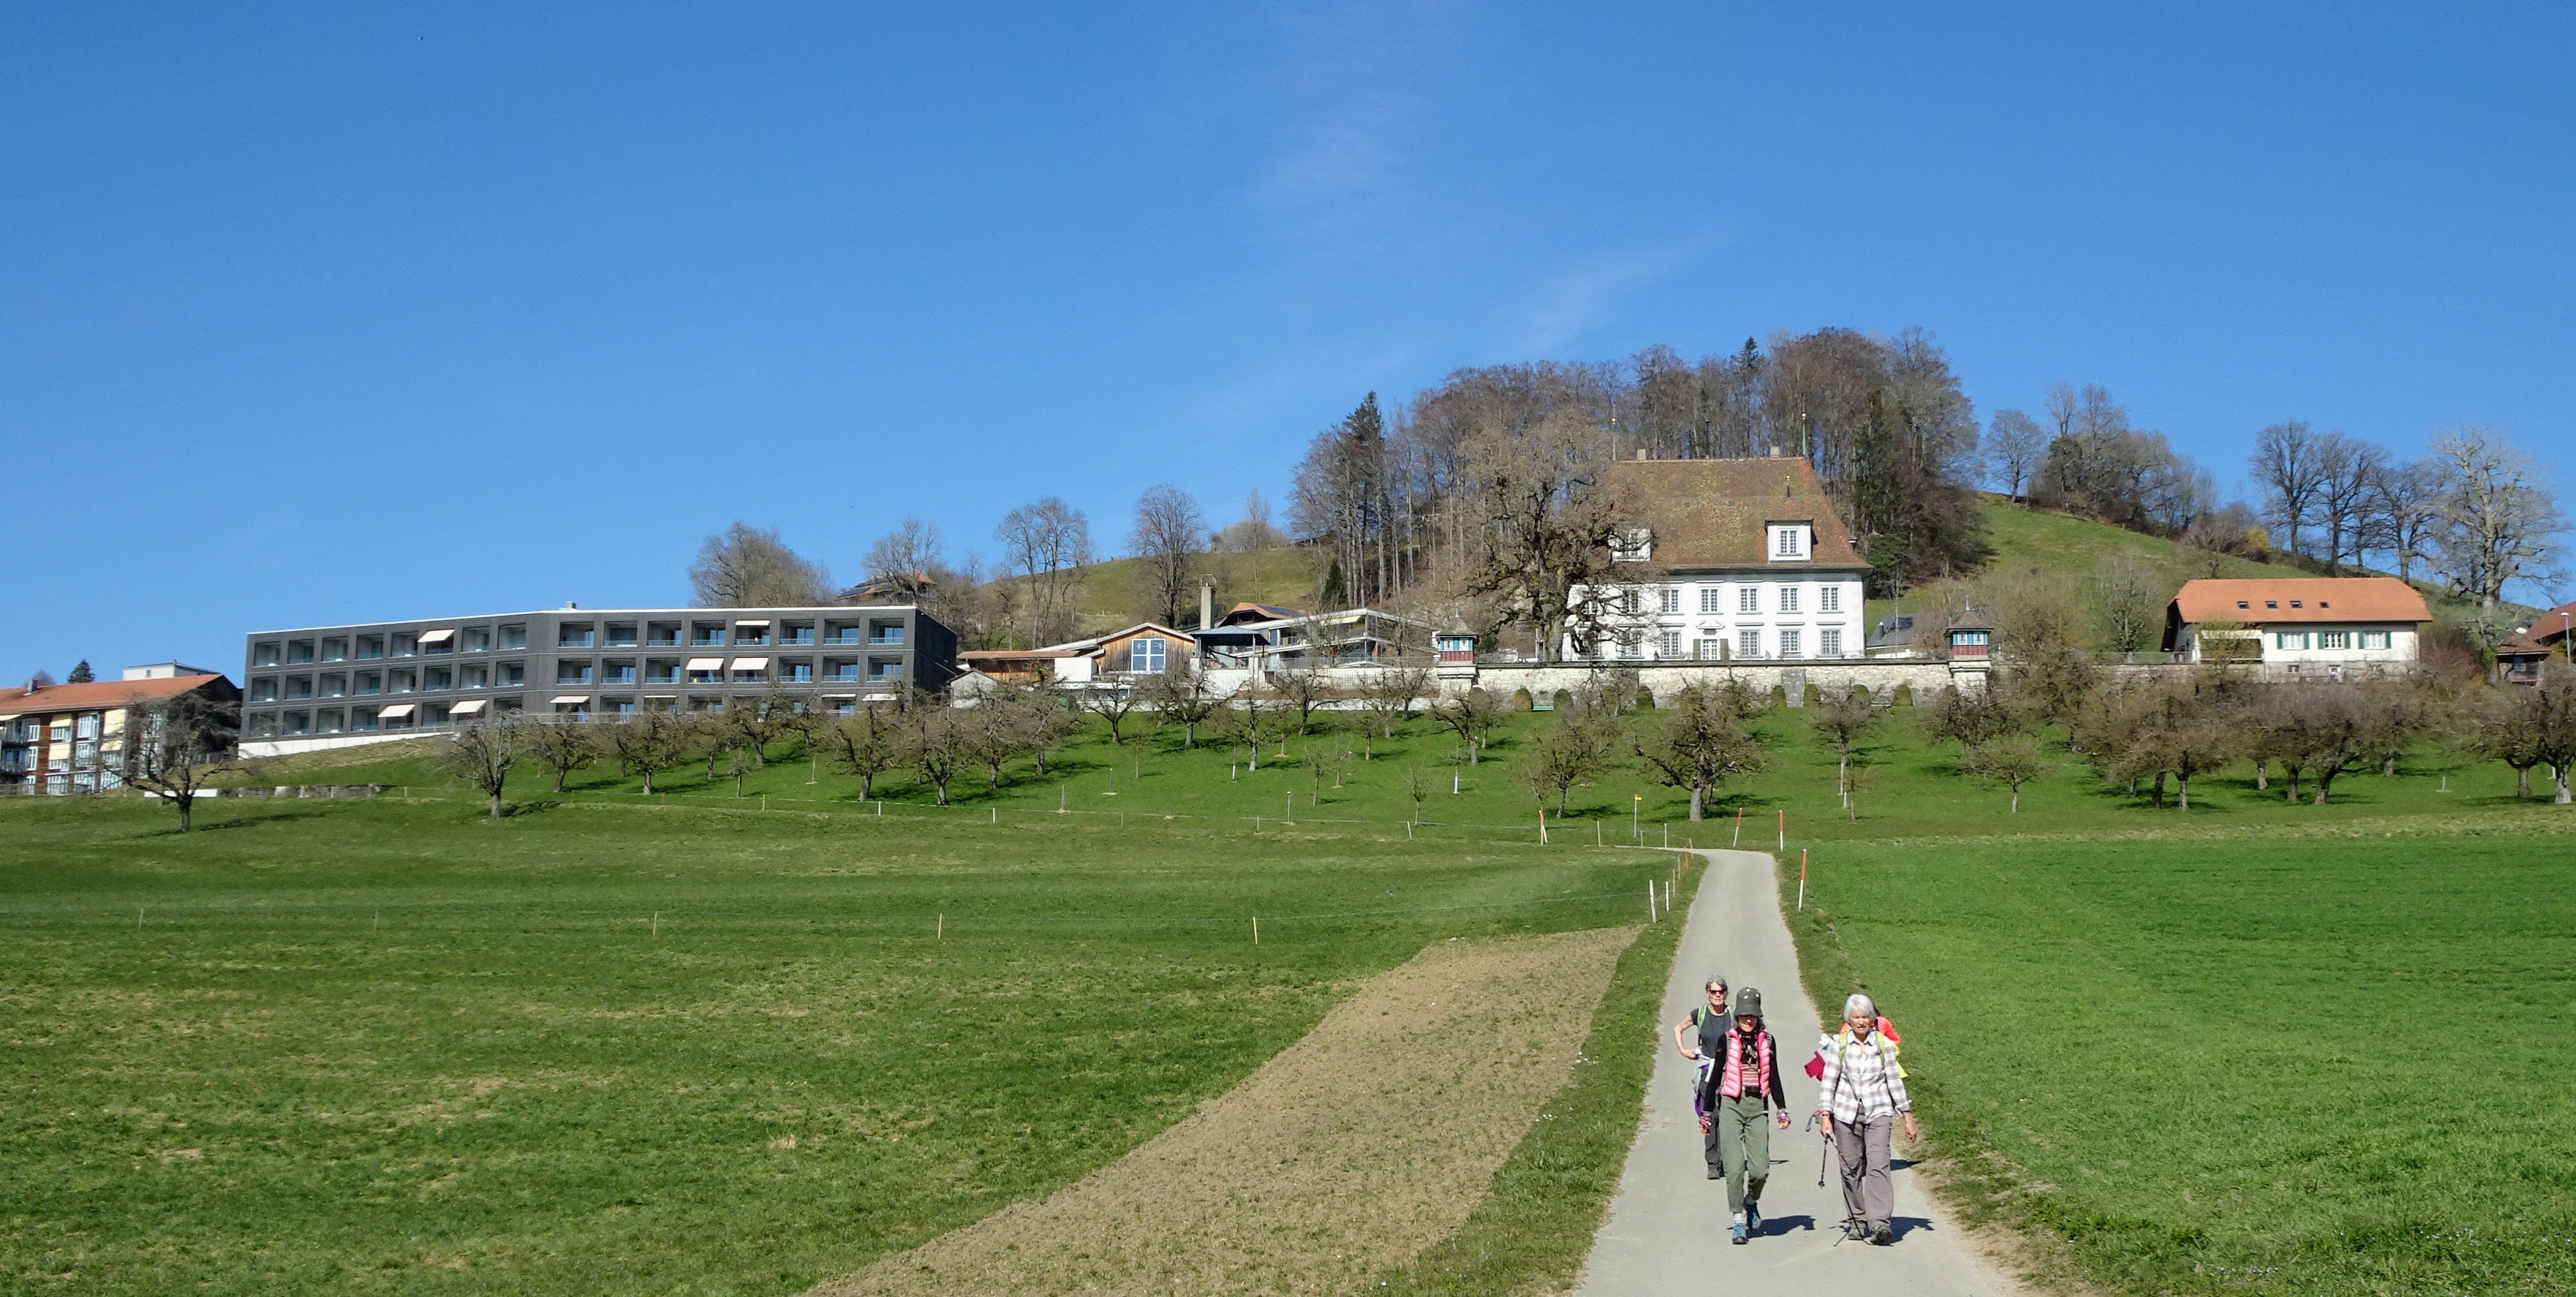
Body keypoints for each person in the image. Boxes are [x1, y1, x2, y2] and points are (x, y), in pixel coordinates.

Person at [1816, 992, 1919, 1246]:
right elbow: (1829, 1083)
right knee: (1850, 1168)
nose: (1861, 1021)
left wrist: (1907, 1115)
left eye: (1865, 1017)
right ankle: (1857, 1219)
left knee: (1879, 1164)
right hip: (1845, 1113)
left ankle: (1880, 1222)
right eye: (1856, 1017)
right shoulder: (1839, 1045)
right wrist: (1825, 1116)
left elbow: (1894, 1081)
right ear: (1848, 1020)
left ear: (1873, 1019)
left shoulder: (1883, 1045)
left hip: (1879, 1111)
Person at [1699, 986, 1790, 1244]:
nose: (1748, 1020)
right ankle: (1738, 1218)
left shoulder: (1768, 1041)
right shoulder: (1726, 1041)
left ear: (1758, 1017)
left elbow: (1774, 1076)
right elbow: (1714, 1077)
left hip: (1757, 1107)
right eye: (1743, 1016)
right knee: (1736, 1168)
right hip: (1730, 1106)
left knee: (1760, 1170)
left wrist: (1781, 1108)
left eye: (1753, 1016)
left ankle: (1751, 1201)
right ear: (1737, 1016)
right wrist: (1706, 1113)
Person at [1671, 975, 1729, 1179]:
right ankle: (1713, 1164)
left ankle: (1727, 1160)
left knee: (1728, 1117)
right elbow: (1678, 1029)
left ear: (1726, 993)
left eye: (1721, 992)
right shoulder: (1700, 1014)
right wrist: (1683, 1050)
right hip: (1706, 1071)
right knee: (1710, 1116)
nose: (1717, 995)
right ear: (1708, 994)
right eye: (1713, 992)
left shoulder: (1733, 1015)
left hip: (1728, 1073)